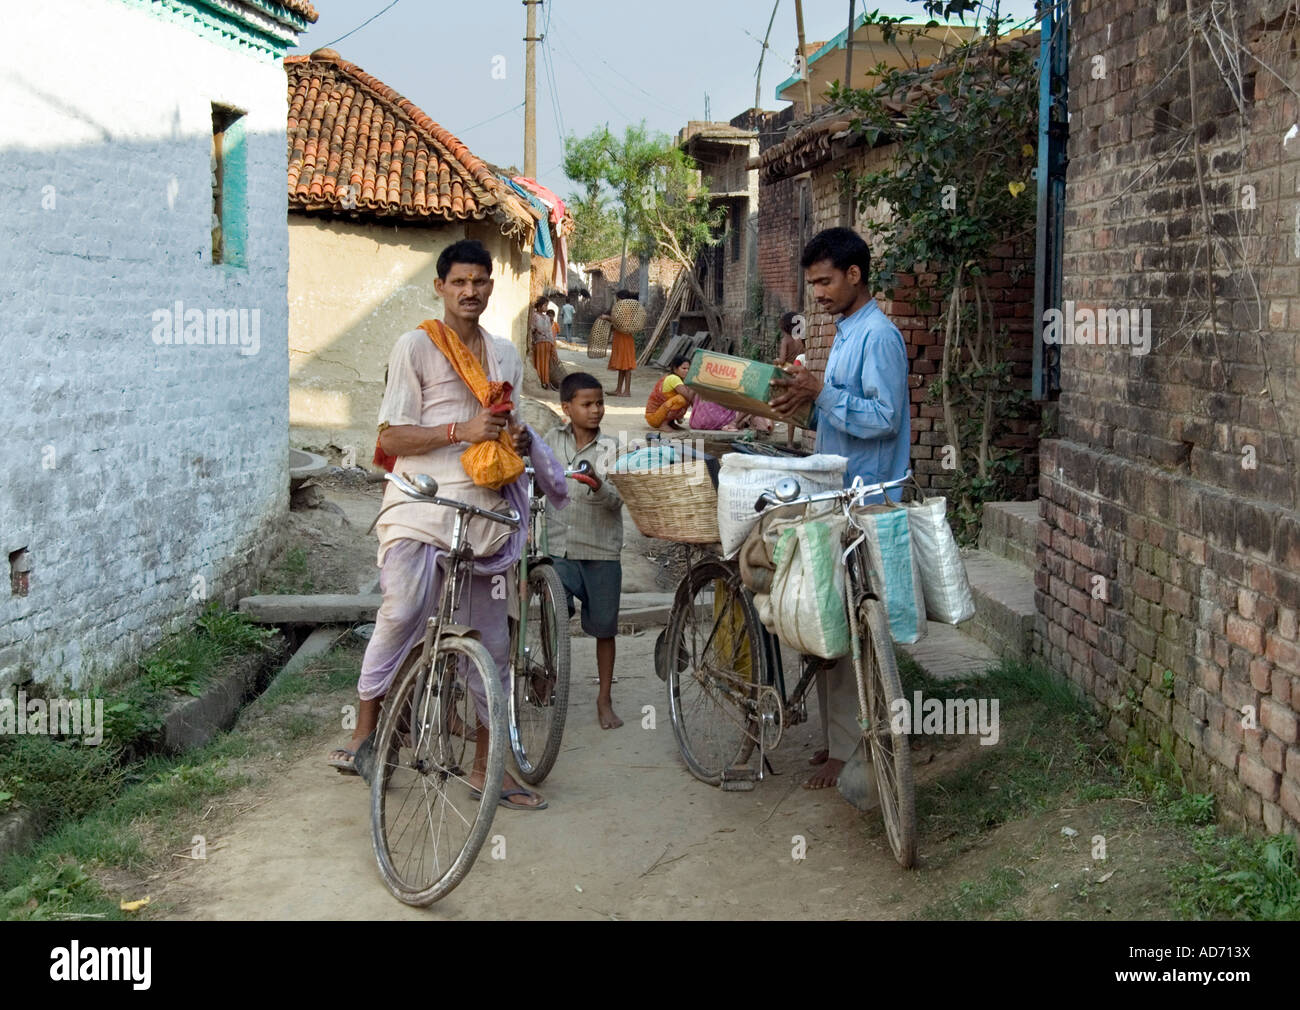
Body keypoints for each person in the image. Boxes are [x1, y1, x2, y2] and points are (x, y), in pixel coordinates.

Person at [328, 238, 547, 810]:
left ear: (491, 288)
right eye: (459, 282)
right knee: (402, 609)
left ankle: (486, 768)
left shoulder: (504, 356)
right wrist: (458, 432)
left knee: (493, 643)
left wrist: (515, 438)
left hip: (482, 509)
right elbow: (389, 438)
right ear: (440, 287)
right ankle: (365, 730)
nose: (470, 292)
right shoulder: (415, 347)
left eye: (480, 282)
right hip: (419, 501)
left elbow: (509, 427)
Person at [769, 226, 910, 793]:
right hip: (837, 494)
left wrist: (820, 392)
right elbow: (840, 415)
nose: (818, 294)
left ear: (855, 275)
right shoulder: (847, 333)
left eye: (825, 282)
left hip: (869, 500)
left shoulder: (878, 336)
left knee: (851, 627)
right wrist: (799, 400)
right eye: (812, 284)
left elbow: (885, 419)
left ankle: (853, 750)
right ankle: (836, 740)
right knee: (828, 617)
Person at [542, 372, 625, 730]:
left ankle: (603, 697)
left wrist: (598, 485)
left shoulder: (613, 448)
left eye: (600, 403)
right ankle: (549, 674)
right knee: (552, 609)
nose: (596, 411)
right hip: (559, 548)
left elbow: (619, 499)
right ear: (566, 408)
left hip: (601, 551)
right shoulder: (549, 440)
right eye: (587, 404)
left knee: (605, 629)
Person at [644, 354, 695, 431]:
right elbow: (688, 396)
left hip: (659, 414)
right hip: (654, 417)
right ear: (675, 368)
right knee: (681, 399)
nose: (687, 371)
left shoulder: (680, 379)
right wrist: (694, 385)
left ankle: (671, 423)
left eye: (688, 369)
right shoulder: (673, 378)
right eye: (684, 368)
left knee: (685, 399)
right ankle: (663, 424)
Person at [605, 289, 638, 398]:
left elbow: (620, 322)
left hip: (625, 339)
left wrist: (607, 318)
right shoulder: (623, 307)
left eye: (617, 298)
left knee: (627, 366)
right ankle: (619, 389)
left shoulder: (626, 308)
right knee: (621, 366)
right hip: (620, 338)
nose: (616, 300)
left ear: (620, 298)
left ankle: (627, 391)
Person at [529, 295, 554, 391]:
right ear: (539, 306)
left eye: (547, 306)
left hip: (547, 343)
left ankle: (545, 381)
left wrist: (552, 343)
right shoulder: (534, 316)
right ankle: (540, 381)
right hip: (538, 343)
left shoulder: (547, 318)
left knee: (546, 363)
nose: (546, 308)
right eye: (545, 305)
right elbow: (532, 329)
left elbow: (549, 331)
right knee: (539, 362)